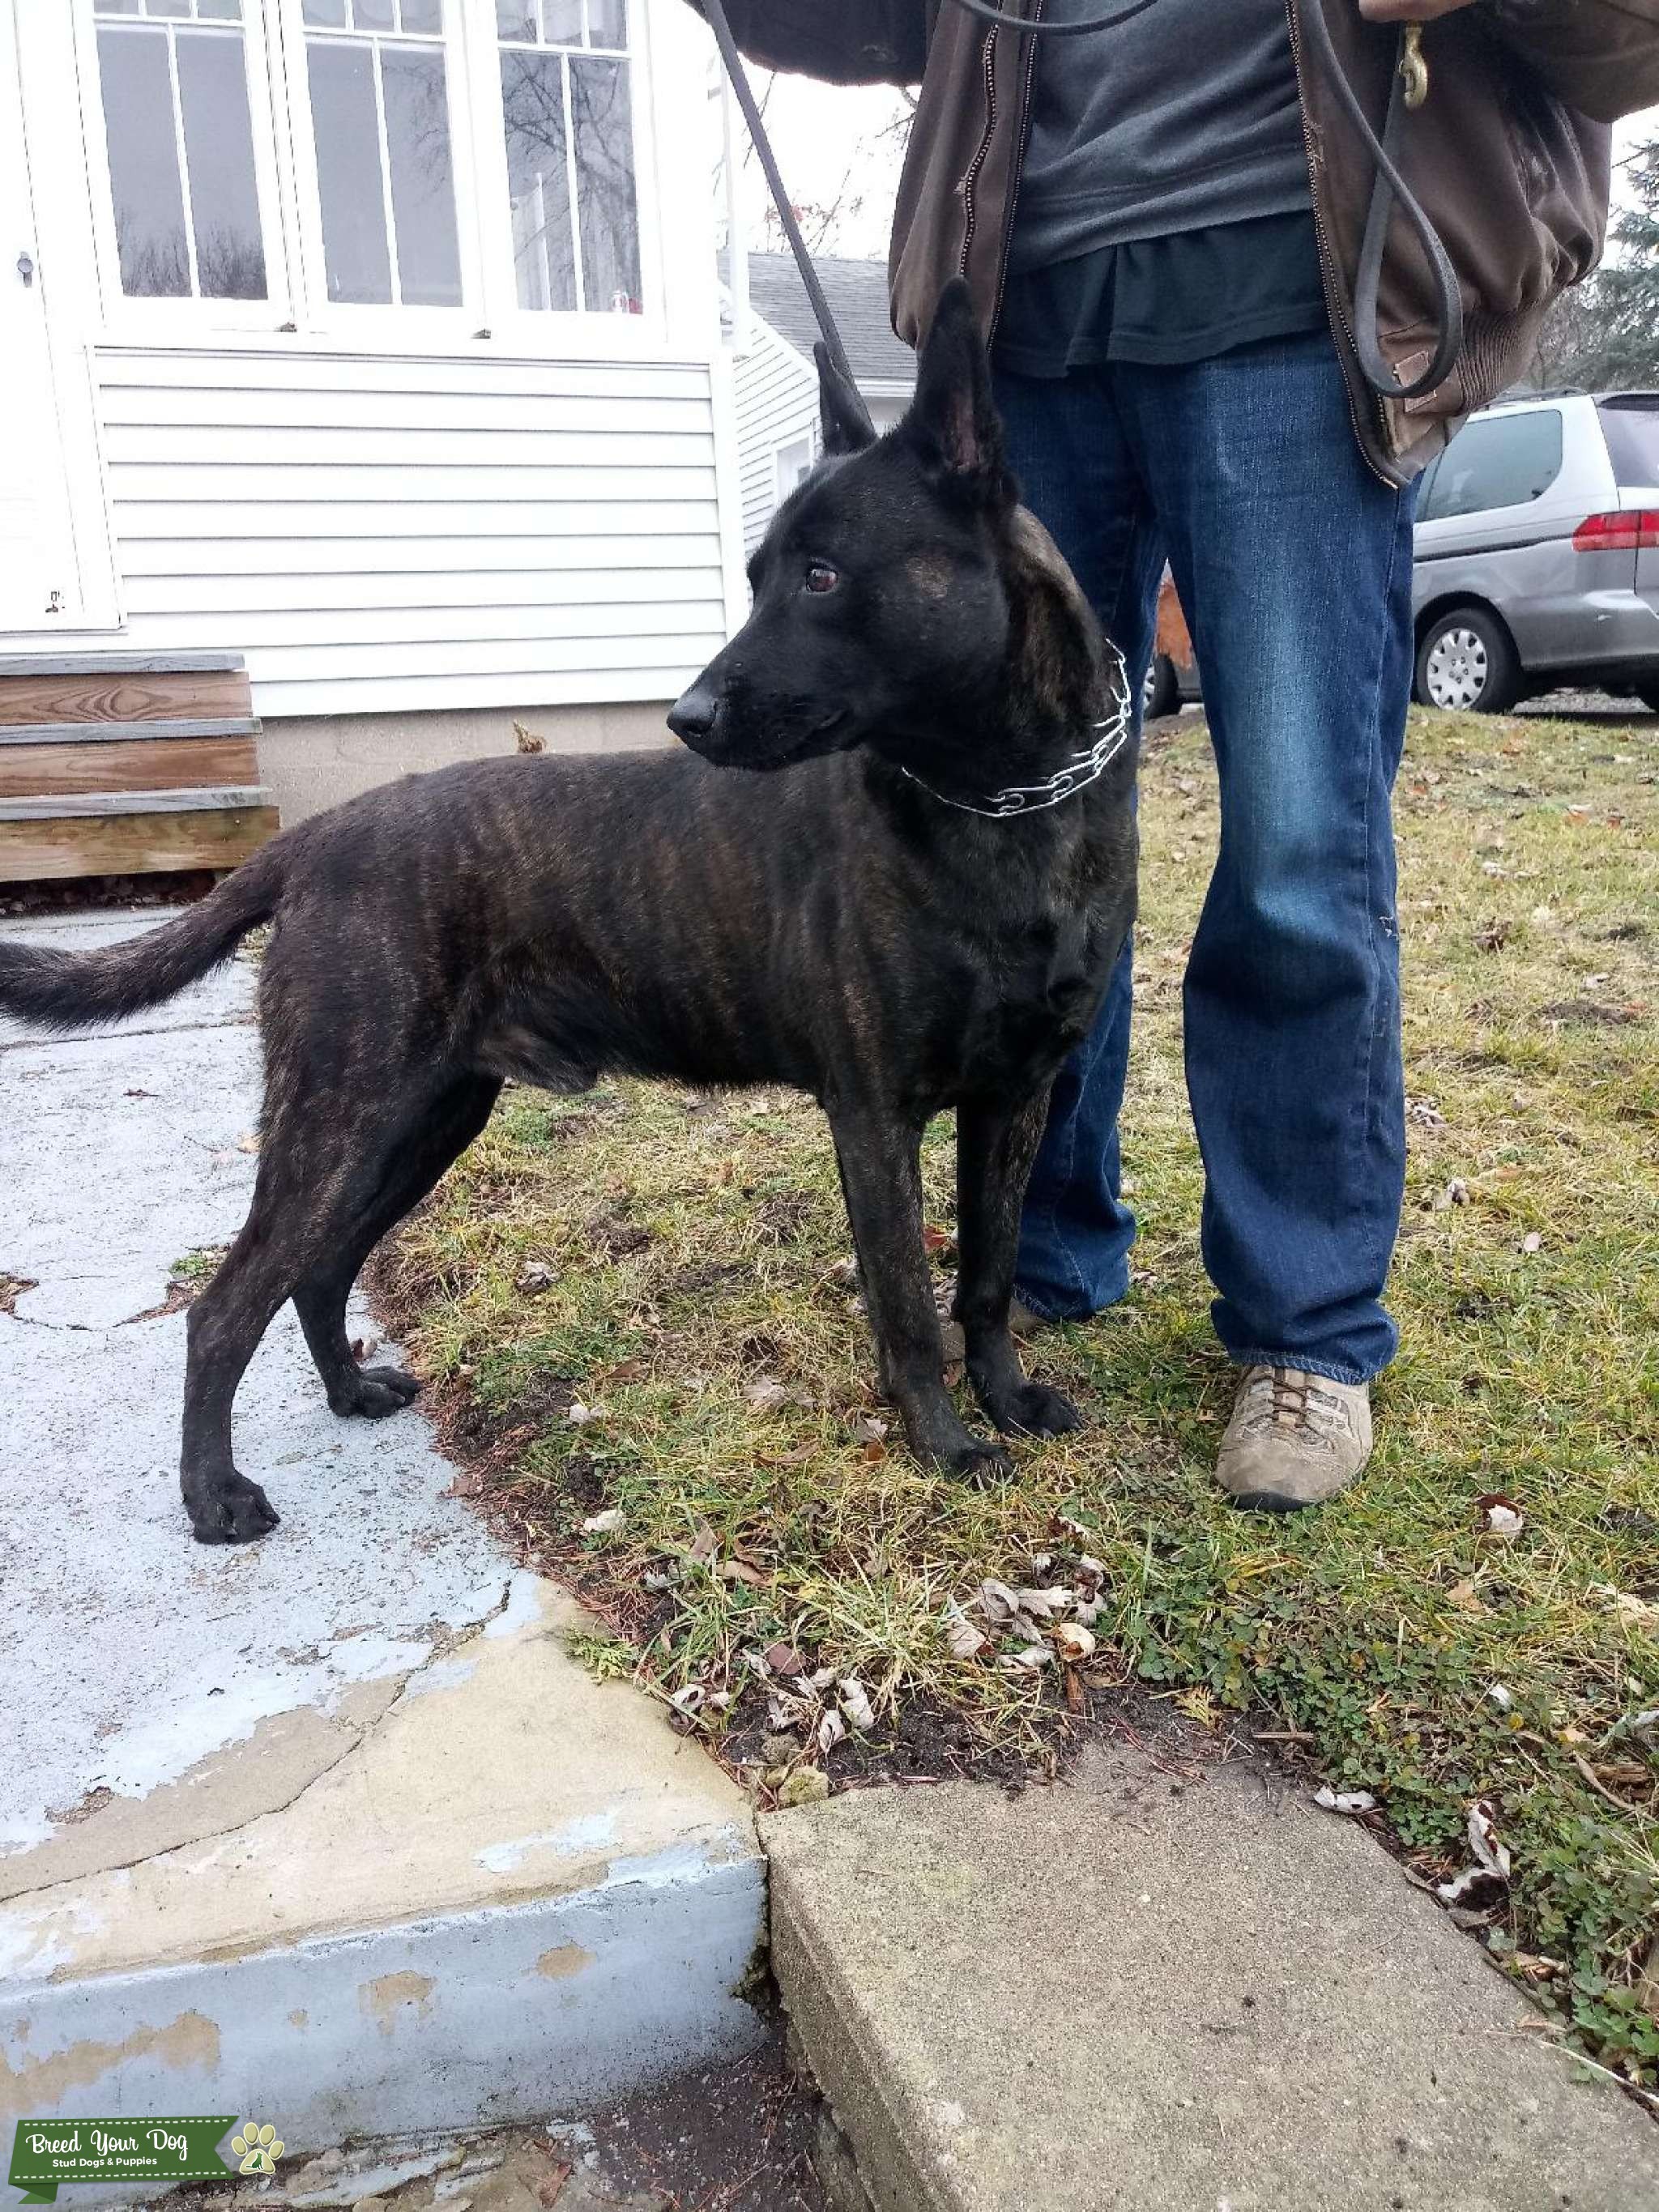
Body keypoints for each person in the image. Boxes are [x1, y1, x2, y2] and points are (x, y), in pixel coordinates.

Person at [694, 0, 1659, 1507]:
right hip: (1024, 299)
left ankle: (1304, 1329)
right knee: (1000, 827)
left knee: (1296, 848)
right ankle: (1045, 1258)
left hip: (1296, 284)